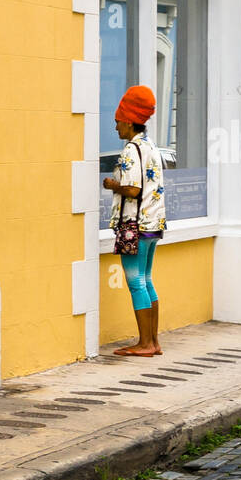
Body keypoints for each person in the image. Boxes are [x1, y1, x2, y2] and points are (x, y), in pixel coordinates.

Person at [103, 85, 166, 357]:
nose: (116, 127)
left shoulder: (131, 150)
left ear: (129, 121)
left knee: (135, 282)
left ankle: (145, 344)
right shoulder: (151, 146)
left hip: (134, 226)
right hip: (153, 224)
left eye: (117, 121)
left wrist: (112, 184)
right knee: (147, 279)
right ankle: (153, 341)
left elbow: (133, 189)